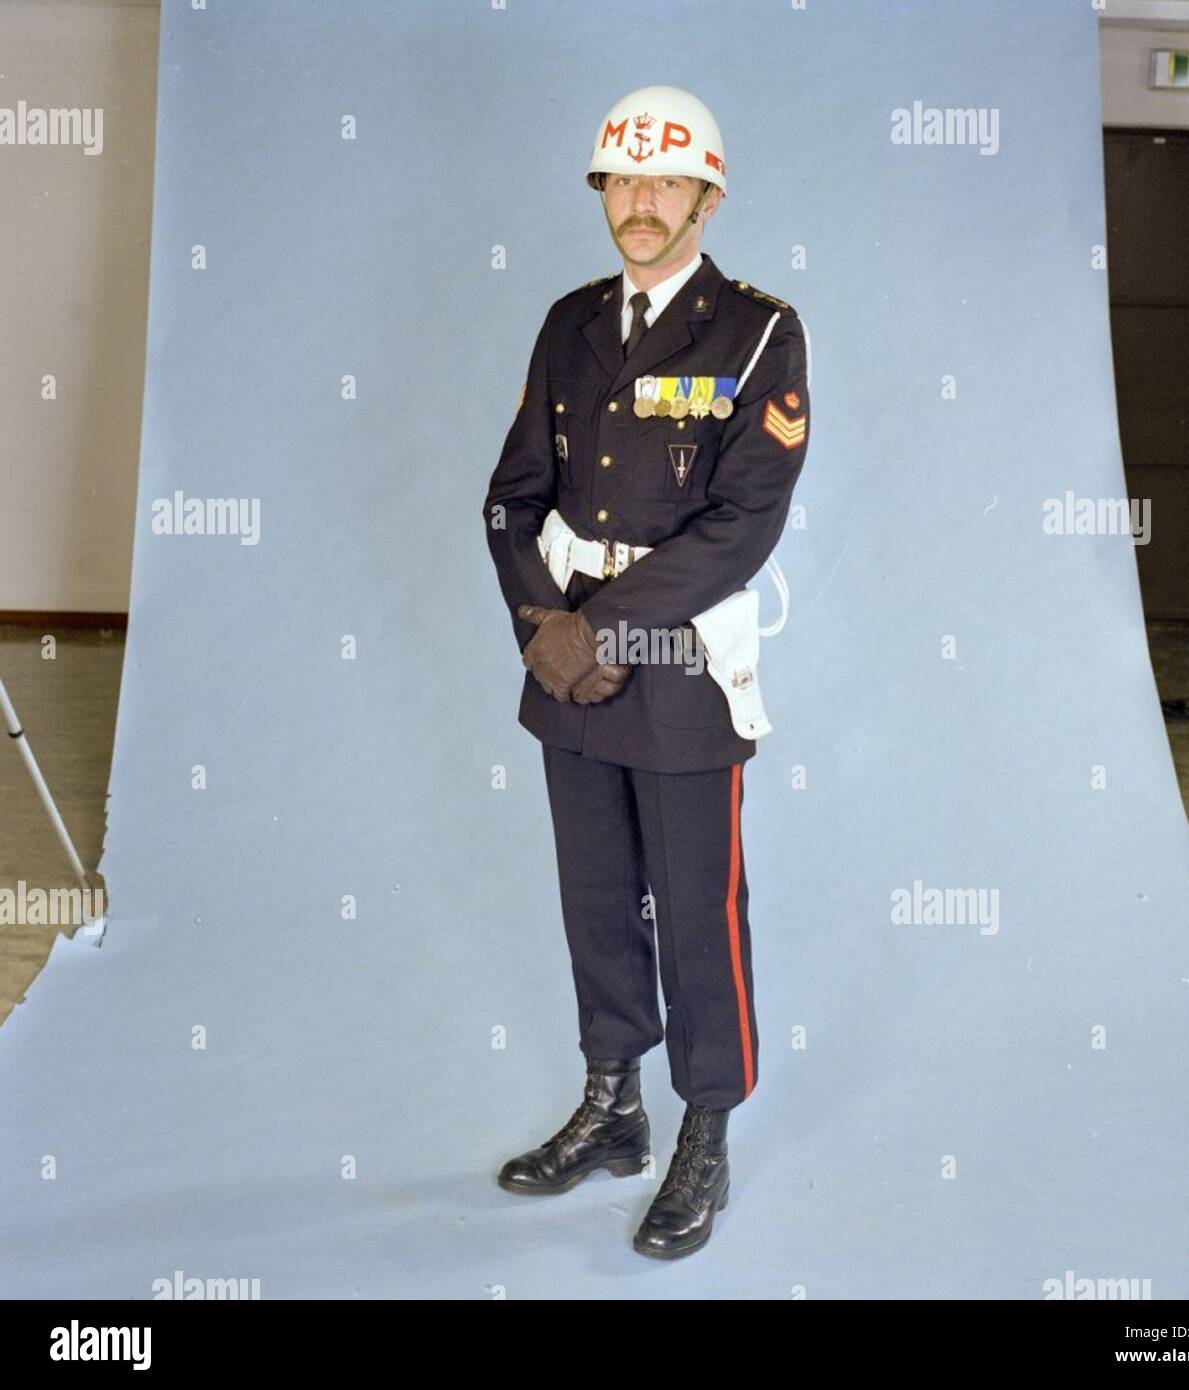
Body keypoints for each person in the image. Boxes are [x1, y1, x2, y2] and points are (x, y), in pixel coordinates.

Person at [482, 84, 810, 1259]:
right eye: (622, 181)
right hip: (564, 667)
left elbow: (740, 524)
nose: (640, 202)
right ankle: (613, 1104)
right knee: (593, 899)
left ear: (706, 198)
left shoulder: (759, 333)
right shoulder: (569, 321)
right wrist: (541, 626)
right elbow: (510, 496)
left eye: (664, 183)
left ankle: (703, 1132)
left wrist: (598, 631)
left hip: (672, 665)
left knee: (698, 914)